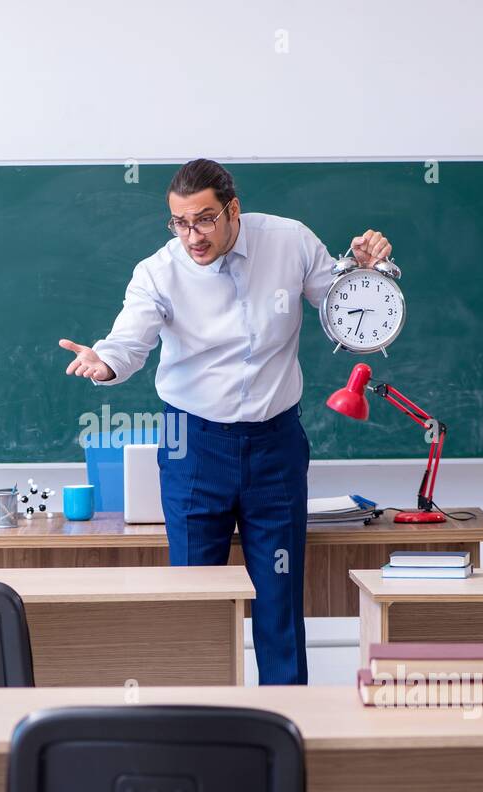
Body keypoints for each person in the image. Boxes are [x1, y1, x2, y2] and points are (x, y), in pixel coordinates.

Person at [59, 158, 392, 684]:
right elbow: (129, 338)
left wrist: (364, 272)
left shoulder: (289, 241)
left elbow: (347, 312)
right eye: (180, 223)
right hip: (192, 445)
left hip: (275, 443)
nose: (192, 235)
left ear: (232, 209)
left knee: (279, 602)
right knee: (196, 600)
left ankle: (286, 734)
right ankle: (201, 735)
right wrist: (105, 364)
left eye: (205, 219)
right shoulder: (158, 272)